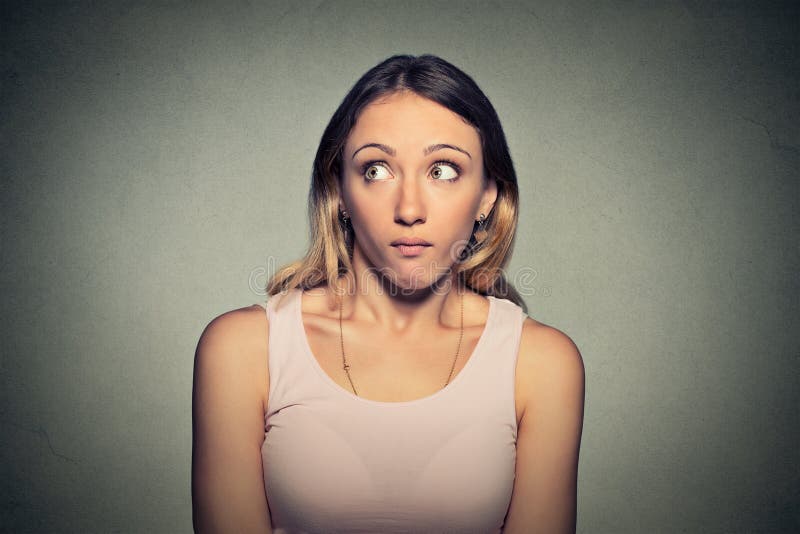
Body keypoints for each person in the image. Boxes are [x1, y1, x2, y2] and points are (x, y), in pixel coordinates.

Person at [192, 54, 585, 533]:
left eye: (443, 170)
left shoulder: (540, 362)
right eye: (376, 170)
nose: (410, 208)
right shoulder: (243, 350)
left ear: (488, 196)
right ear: (339, 191)